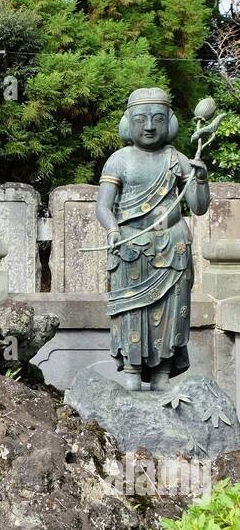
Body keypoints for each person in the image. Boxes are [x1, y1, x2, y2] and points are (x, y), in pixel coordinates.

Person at [95, 88, 210, 391]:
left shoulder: (178, 159)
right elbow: (104, 207)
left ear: (169, 123)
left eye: (158, 119)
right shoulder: (119, 160)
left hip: (173, 246)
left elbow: (198, 207)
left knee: (171, 311)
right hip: (131, 247)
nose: (149, 127)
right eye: (141, 120)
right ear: (128, 123)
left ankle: (163, 371)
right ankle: (132, 368)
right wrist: (113, 230)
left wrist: (200, 178)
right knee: (132, 311)